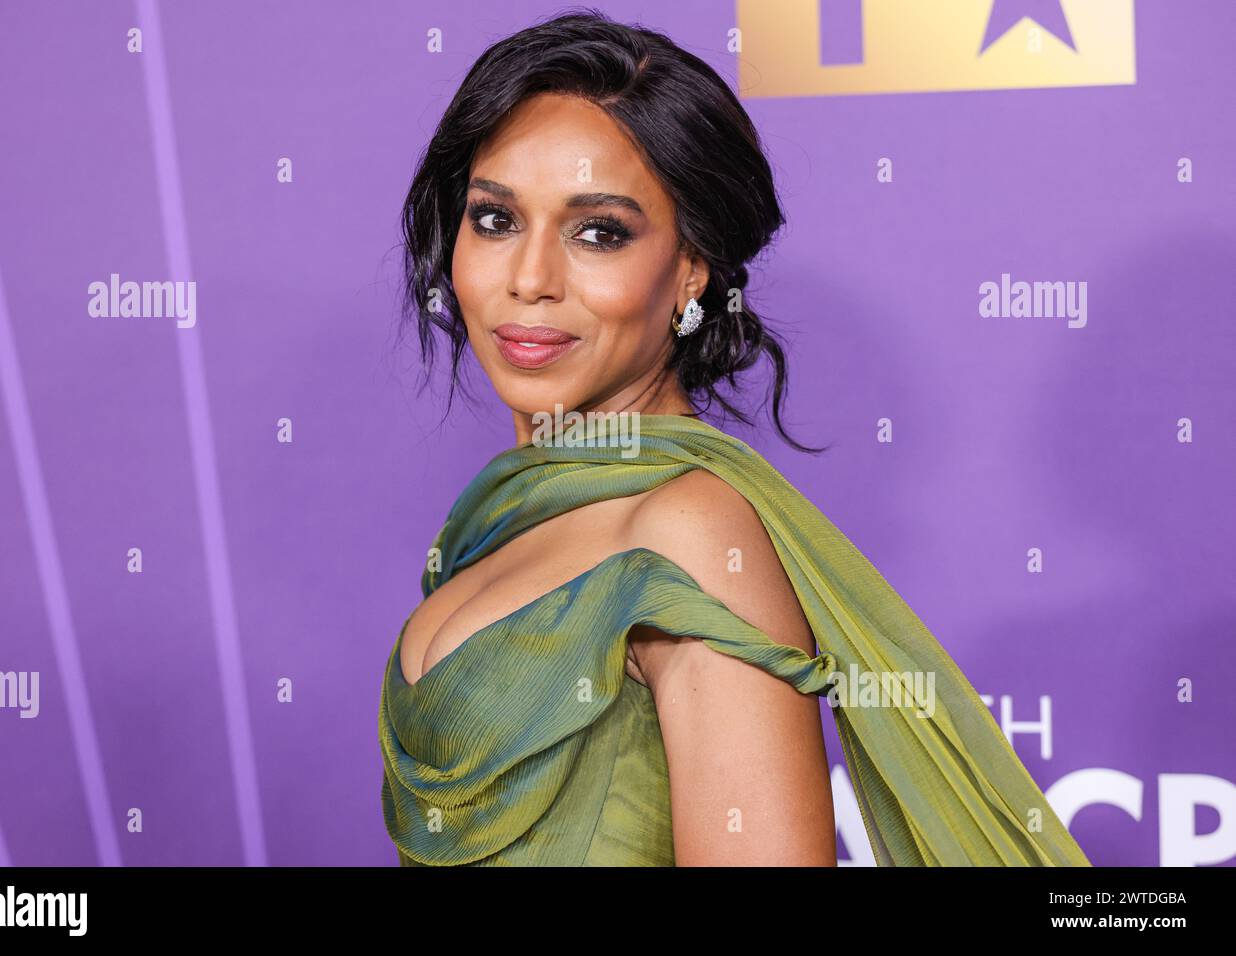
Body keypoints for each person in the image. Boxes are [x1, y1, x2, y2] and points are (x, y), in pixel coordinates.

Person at [377, 9, 1091, 867]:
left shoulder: (689, 531)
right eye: (496, 219)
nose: (530, 279)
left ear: (691, 267)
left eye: (598, 231)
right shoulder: (501, 513)